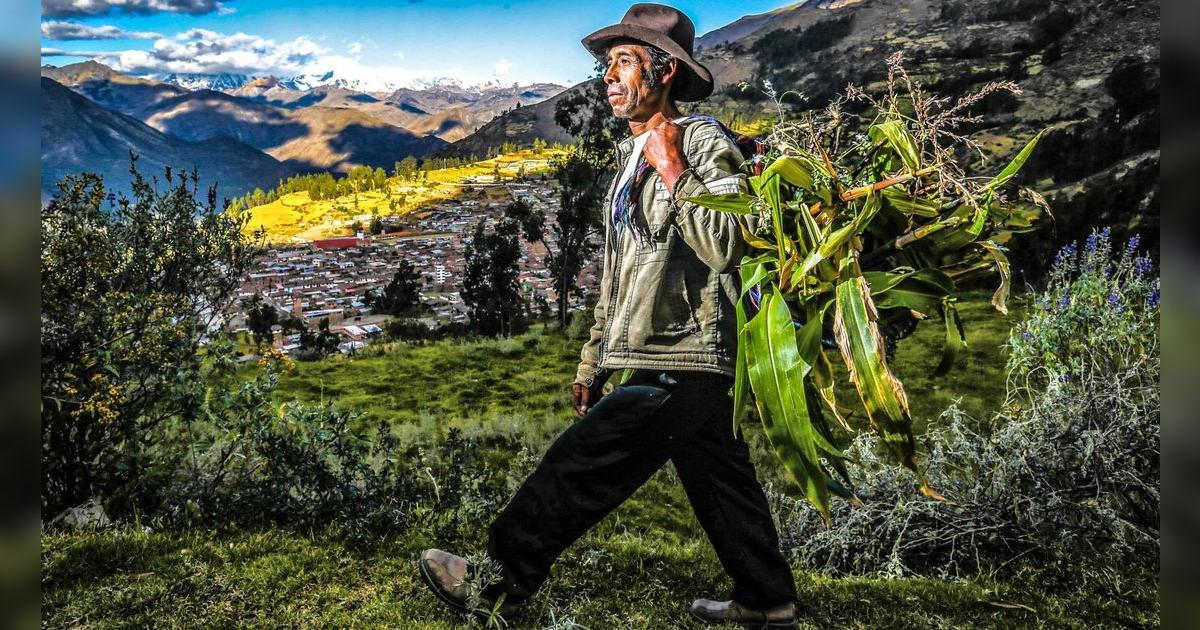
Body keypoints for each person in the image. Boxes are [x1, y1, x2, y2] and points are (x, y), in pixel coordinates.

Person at [418, 4, 798, 627]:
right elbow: (620, 273)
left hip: (687, 350)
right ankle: (767, 597)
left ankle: (493, 581)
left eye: (625, 61)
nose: (609, 77)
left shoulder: (701, 142)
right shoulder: (629, 157)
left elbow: (730, 243)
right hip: (656, 346)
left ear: (665, 72)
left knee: (581, 462)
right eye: (606, 65)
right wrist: (594, 357)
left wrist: (674, 170)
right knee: (719, 477)